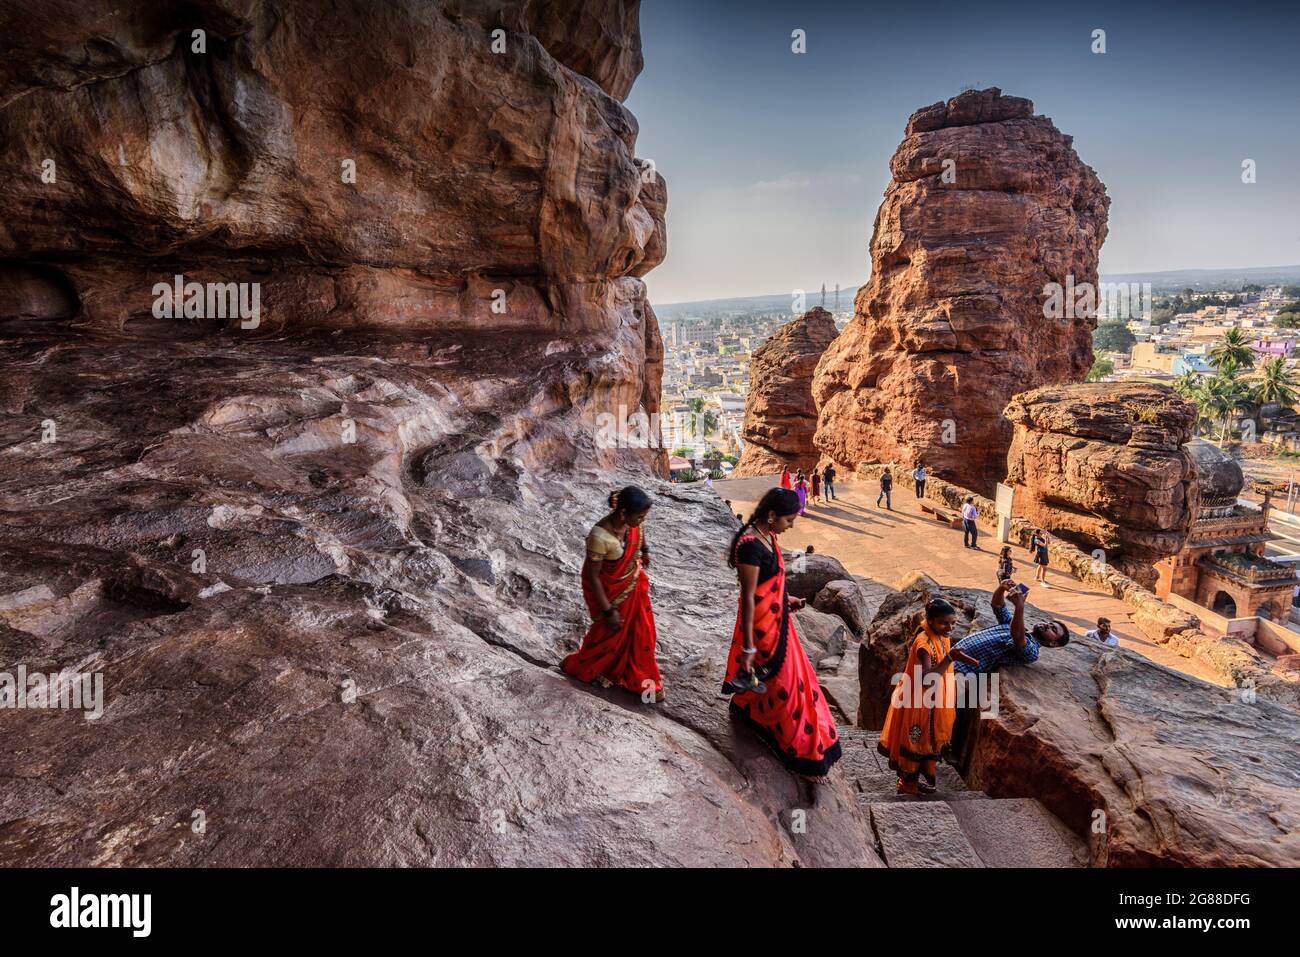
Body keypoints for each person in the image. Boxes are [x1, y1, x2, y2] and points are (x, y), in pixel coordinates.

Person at [724, 488, 842, 780]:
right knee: (786, 686)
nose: (790, 526)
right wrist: (749, 647)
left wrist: (785, 599)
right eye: (789, 520)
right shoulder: (750, 547)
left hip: (777, 620)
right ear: (772, 515)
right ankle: (799, 750)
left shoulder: (768, 536)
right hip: (762, 628)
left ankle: (750, 712)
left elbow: (770, 582)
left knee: (793, 682)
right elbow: (749, 597)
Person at [948, 580, 1071, 764]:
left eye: (1053, 630)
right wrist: (1001, 587)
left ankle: (928, 752)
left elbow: (1018, 637)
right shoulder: (1011, 623)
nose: (1047, 625)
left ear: (1053, 644)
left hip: (963, 672)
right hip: (951, 661)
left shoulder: (1032, 651)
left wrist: (1020, 607)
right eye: (1049, 623)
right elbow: (997, 605)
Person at [563, 486, 664, 702]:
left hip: (635, 585)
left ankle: (633, 679)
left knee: (641, 632)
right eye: (640, 516)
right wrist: (608, 611)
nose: (642, 520)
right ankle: (590, 668)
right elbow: (593, 577)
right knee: (608, 636)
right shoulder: (599, 536)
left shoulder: (633, 521)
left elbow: (641, 531)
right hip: (610, 594)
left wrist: (644, 551)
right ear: (623, 513)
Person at [878, 597, 981, 795]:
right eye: (944, 623)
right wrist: (951, 657)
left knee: (926, 741)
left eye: (953, 623)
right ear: (931, 620)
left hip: (932, 702)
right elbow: (926, 679)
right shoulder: (923, 643)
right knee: (915, 743)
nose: (950, 628)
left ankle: (912, 783)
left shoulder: (940, 635)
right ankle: (907, 786)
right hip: (919, 703)